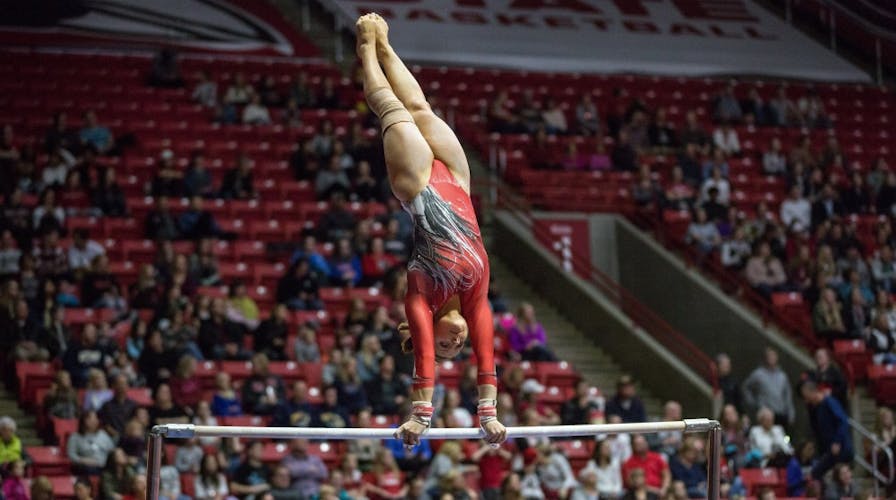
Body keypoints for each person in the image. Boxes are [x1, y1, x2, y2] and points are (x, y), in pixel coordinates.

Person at [356, 13, 505, 447]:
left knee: (394, 110)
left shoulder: (421, 297)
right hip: (458, 181)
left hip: (418, 186)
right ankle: (387, 46)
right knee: (421, 108)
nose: (454, 343)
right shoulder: (475, 300)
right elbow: (487, 356)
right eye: (456, 348)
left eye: (447, 346)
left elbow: (423, 357)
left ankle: (366, 49)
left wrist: (420, 417)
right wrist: (488, 414)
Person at [801, 381, 853, 480]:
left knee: (819, 473)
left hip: (839, 448)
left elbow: (842, 421)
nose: (806, 400)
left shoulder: (829, 402)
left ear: (813, 392)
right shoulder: (817, 408)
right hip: (829, 449)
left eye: (807, 397)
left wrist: (837, 441)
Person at [742, 347, 795, 428]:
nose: (771, 358)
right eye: (769, 356)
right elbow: (746, 387)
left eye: (773, 356)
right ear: (765, 358)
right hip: (765, 414)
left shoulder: (782, 376)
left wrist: (791, 413)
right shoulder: (758, 374)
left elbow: (787, 395)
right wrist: (753, 403)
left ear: (777, 357)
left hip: (780, 413)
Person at [67, 411, 115, 475]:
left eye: (96, 419)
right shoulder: (75, 437)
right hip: (87, 465)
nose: (95, 421)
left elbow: (112, 450)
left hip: (104, 465)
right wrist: (83, 460)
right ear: (84, 421)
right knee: (88, 470)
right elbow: (71, 455)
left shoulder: (103, 434)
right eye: (92, 419)